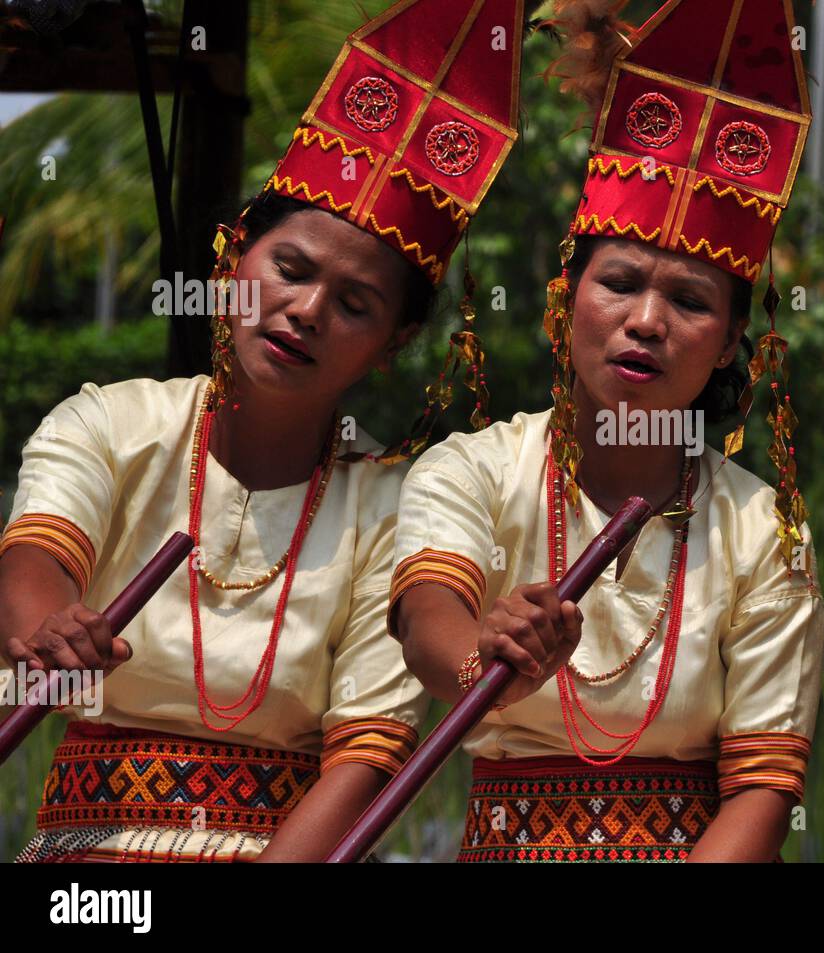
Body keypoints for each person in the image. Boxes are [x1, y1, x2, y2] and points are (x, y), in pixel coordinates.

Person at [0, 0, 526, 862]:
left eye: (354, 304)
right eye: (289, 268)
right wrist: (46, 632)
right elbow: (34, 566)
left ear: (394, 342)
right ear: (233, 253)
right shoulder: (111, 422)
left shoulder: (399, 509)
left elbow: (367, 754)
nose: (306, 310)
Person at [390, 0, 824, 863]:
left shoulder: (763, 530)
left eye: (692, 302)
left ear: (733, 339)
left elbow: (763, 787)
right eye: (620, 283)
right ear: (566, 295)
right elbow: (429, 627)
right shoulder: (473, 471)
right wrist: (486, 652)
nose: (646, 321)